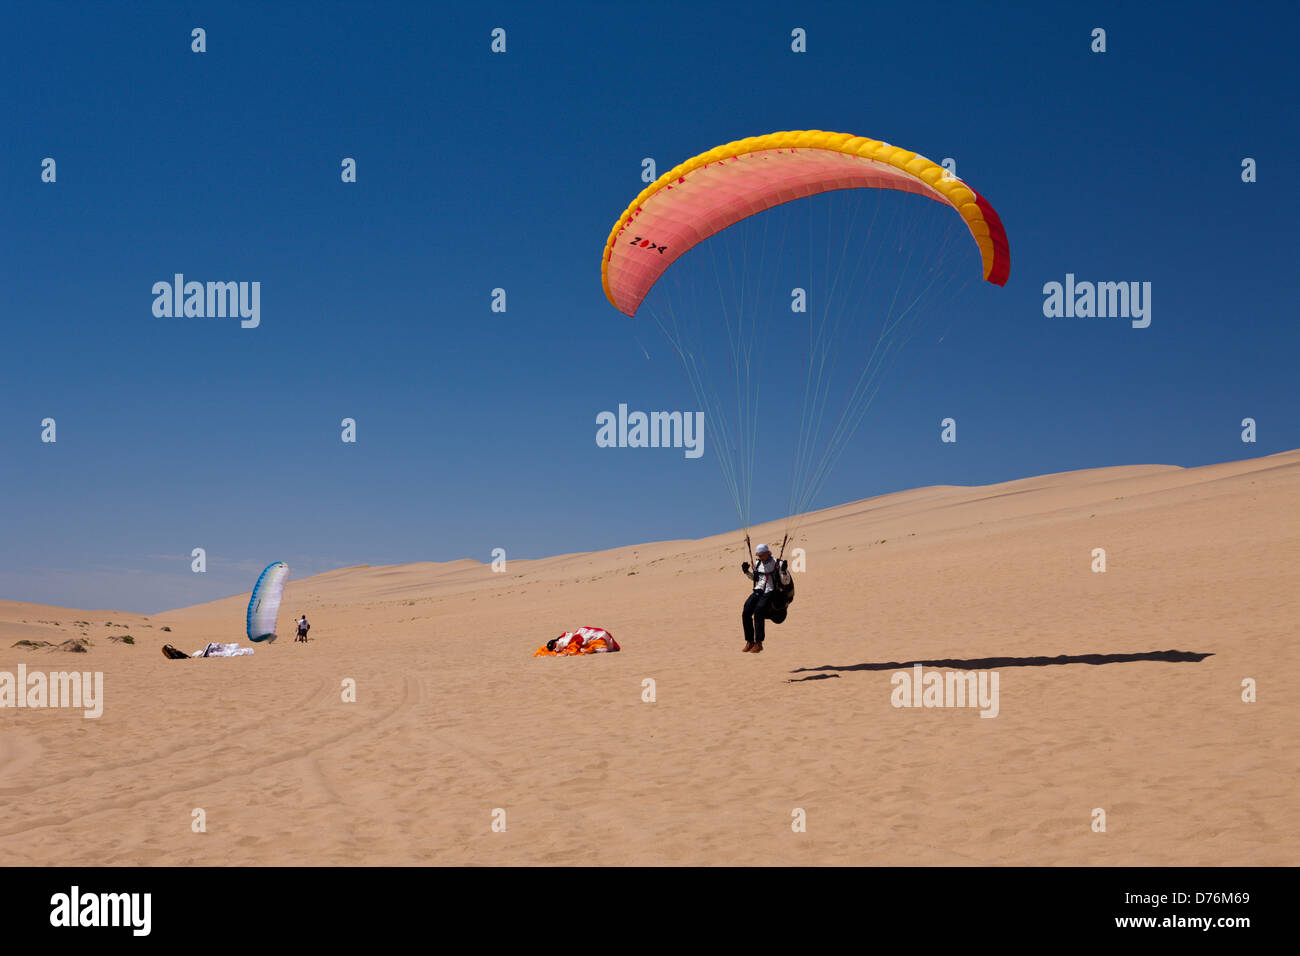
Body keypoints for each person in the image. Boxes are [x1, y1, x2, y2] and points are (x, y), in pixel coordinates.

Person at [740, 543, 791, 653]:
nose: (760, 557)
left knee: (759, 611)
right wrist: (747, 572)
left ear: (768, 553)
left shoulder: (777, 564)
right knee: (746, 612)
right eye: (758, 555)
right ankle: (750, 641)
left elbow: (785, 581)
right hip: (758, 590)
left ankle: (759, 643)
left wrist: (783, 571)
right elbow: (755, 578)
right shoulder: (758, 564)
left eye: (762, 555)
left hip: (771, 591)